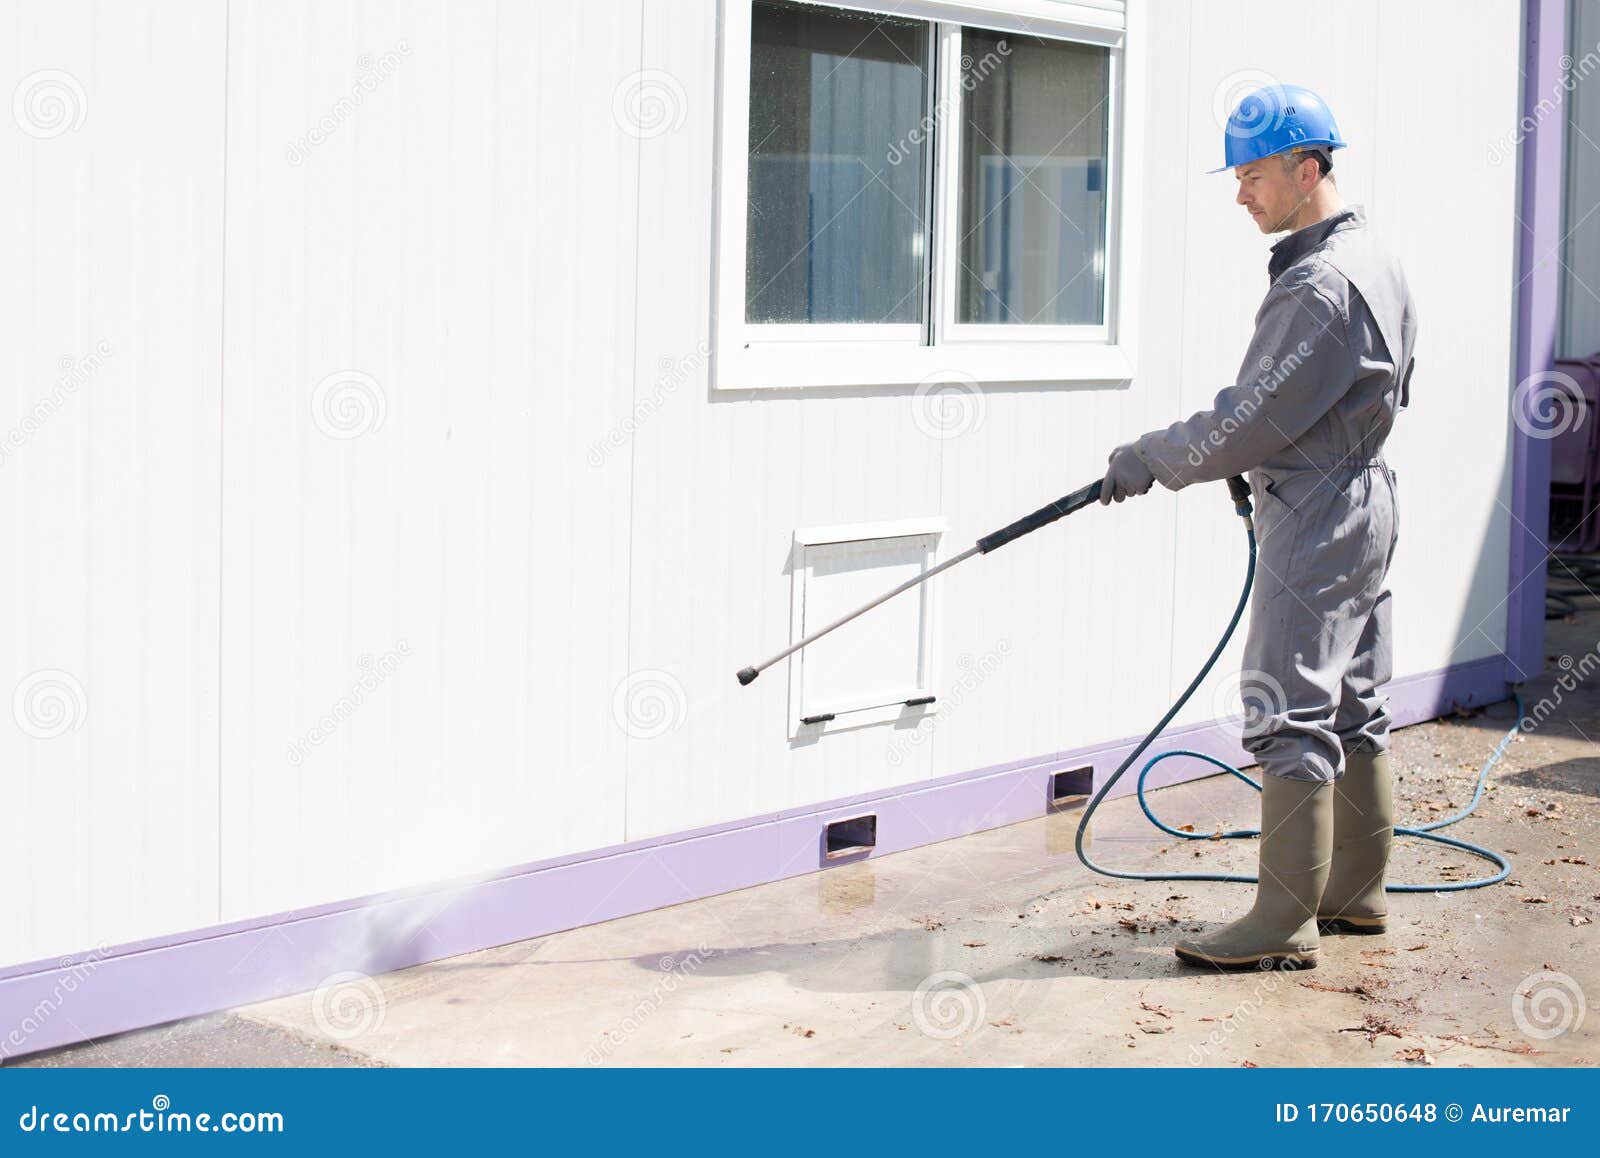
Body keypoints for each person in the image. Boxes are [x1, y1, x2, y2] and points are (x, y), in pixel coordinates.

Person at [1099, 84, 1416, 970]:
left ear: (1306, 168)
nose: (1241, 194)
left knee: (1288, 707)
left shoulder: (1319, 283)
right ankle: (1356, 893)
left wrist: (1146, 459)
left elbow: (1245, 419)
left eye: (1253, 175)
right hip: (1364, 497)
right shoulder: (1374, 259)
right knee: (1354, 700)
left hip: (1319, 512)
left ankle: (1280, 923)